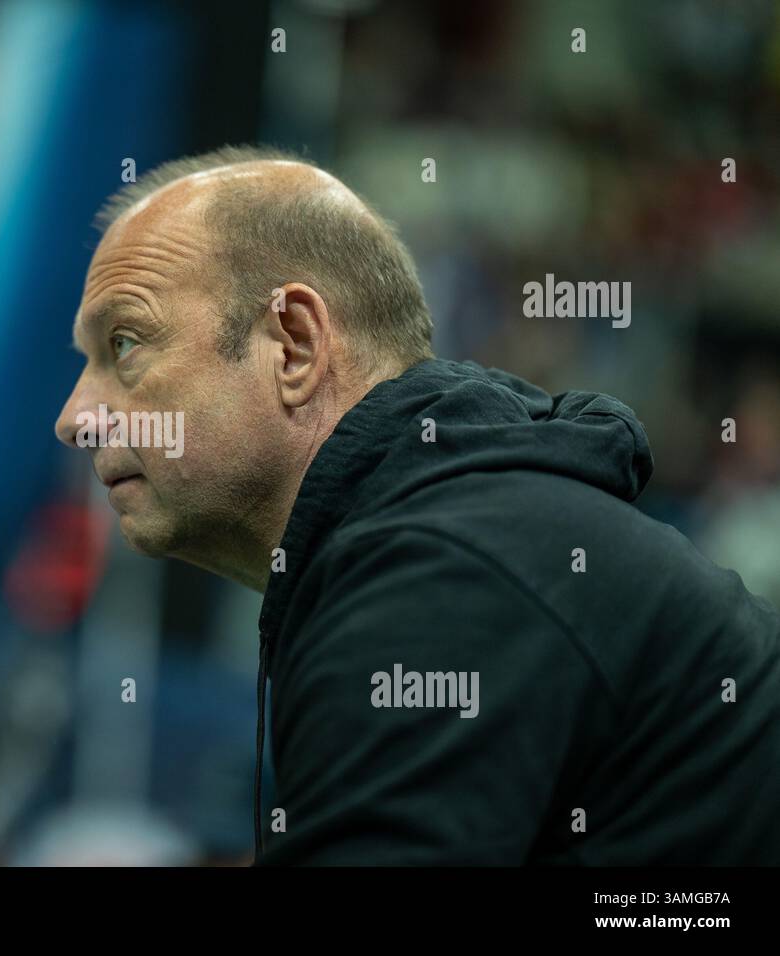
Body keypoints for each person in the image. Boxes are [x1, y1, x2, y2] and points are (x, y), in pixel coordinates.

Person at [53, 144, 780, 865]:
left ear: (294, 347)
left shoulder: (440, 576)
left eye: (125, 343)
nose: (76, 416)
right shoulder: (443, 535)